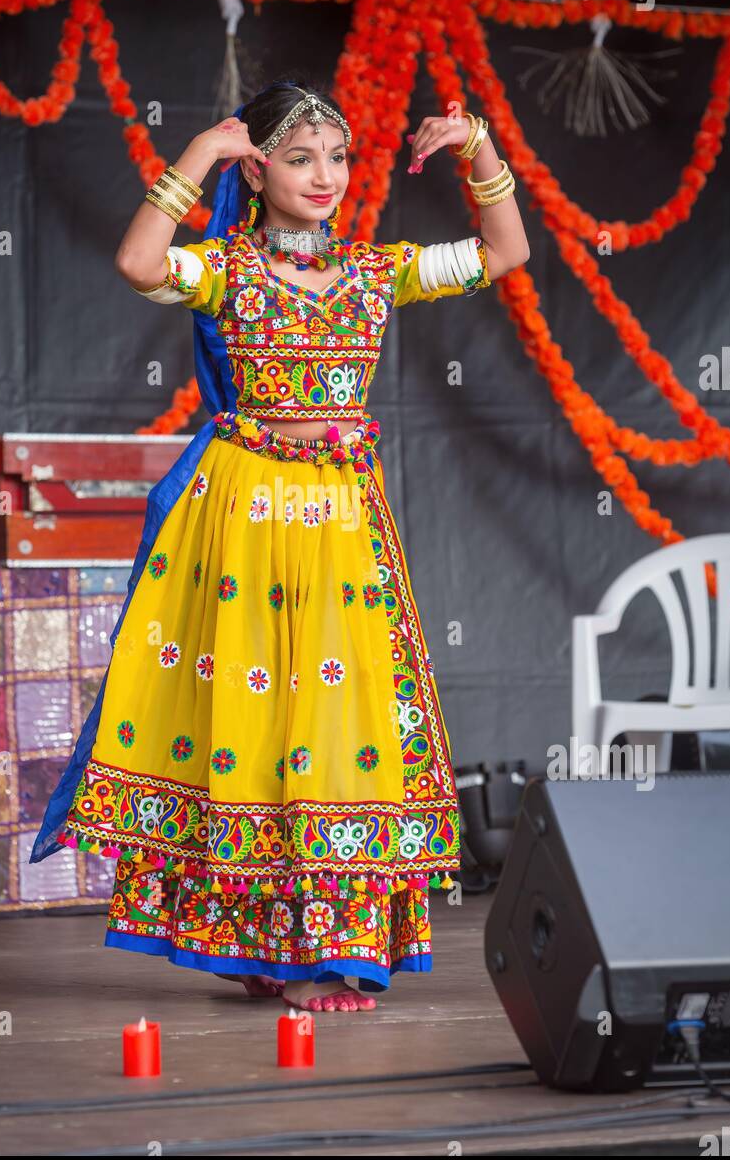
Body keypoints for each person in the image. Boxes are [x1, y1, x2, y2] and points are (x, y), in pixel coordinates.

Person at [29, 76, 530, 1014]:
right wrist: (196, 157)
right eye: (300, 157)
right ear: (257, 171)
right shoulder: (227, 269)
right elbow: (140, 262)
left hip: (343, 522)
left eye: (337, 156)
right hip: (245, 516)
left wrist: (477, 146)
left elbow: (509, 250)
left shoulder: (379, 273)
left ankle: (330, 949)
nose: (326, 174)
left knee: (341, 727)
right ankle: (262, 944)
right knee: (252, 723)